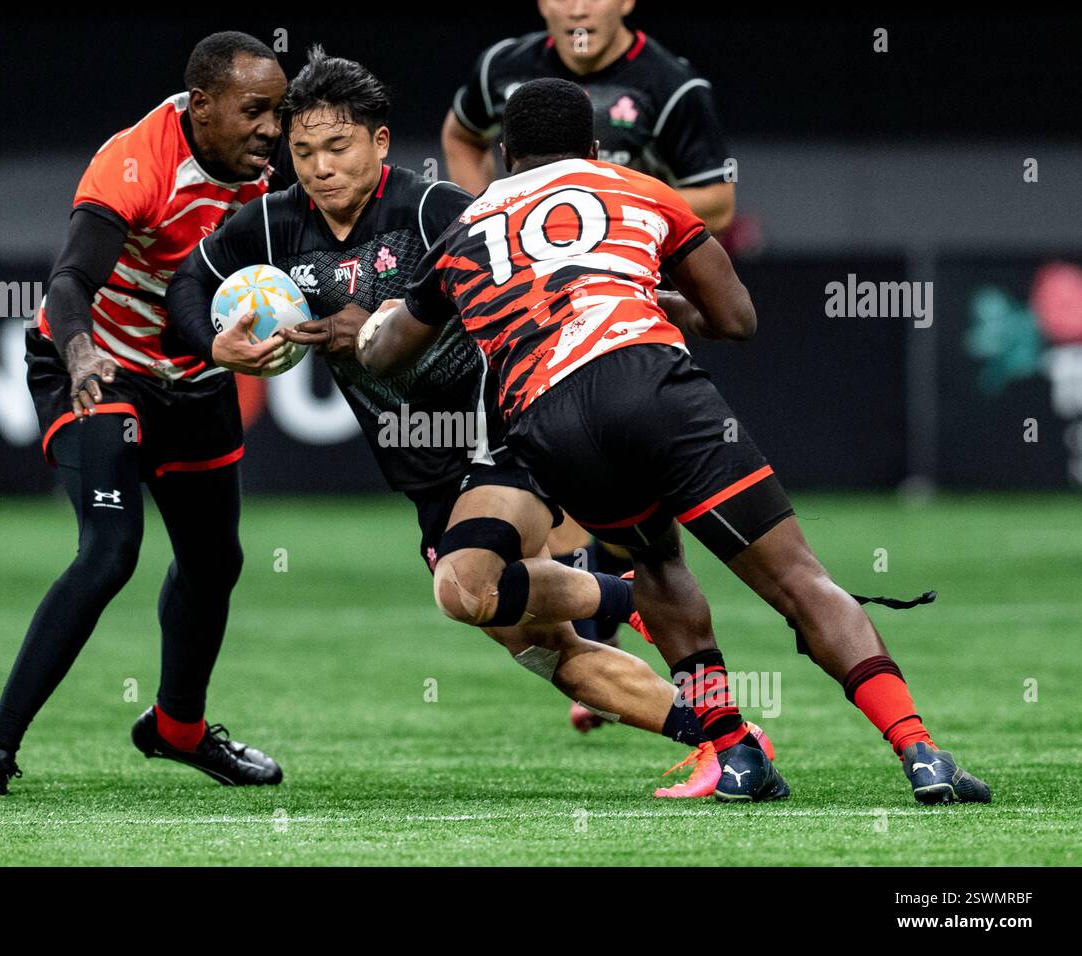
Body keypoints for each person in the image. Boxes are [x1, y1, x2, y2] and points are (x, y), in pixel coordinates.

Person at [360, 78, 991, 804]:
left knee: (657, 565)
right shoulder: (641, 188)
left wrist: (375, 325)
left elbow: (388, 353)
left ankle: (734, 752)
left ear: (504, 156)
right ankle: (920, 752)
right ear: (594, 149)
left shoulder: (462, 231)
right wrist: (665, 302)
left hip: (546, 420)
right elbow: (737, 319)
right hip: (647, 382)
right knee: (798, 581)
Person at [167, 48, 773, 794]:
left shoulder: (434, 210)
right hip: (421, 475)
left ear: (380, 143)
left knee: (462, 588)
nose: (319, 168)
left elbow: (540, 278)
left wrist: (387, 321)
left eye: (337, 147)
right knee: (547, 653)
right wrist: (212, 342)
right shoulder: (269, 226)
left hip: (504, 437)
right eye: (302, 153)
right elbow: (191, 279)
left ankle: (640, 595)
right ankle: (728, 735)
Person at [0, 32, 294, 796]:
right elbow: (69, 281)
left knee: (216, 561)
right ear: (202, 107)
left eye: (280, 111)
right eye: (255, 111)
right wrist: (79, 357)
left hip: (194, 375)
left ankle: (178, 730)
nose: (273, 128)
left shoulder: (265, 170)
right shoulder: (136, 162)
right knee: (110, 551)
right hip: (98, 370)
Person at [444, 1, 737, 731]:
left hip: (620, 302)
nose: (577, 6)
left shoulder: (670, 86)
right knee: (575, 480)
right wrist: (484, 205)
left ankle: (635, 625)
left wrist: (607, 196)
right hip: (530, 305)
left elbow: (721, 198)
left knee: (618, 488)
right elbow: (459, 131)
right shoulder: (501, 67)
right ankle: (626, 624)